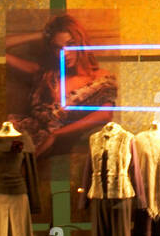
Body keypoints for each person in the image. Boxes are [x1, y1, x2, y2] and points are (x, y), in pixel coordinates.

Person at [7, 13, 117, 160]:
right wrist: (41, 35)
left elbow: (105, 115)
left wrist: (56, 135)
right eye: (58, 48)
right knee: (4, 154)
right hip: (23, 138)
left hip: (61, 145)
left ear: (81, 43)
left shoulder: (99, 79)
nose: (64, 53)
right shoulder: (44, 74)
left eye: (71, 44)